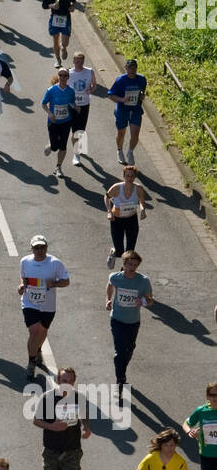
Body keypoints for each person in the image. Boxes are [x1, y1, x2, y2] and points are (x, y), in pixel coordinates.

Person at [19, 234, 70, 380]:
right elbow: (23, 278)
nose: (40, 250)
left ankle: (38, 350)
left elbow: (66, 281)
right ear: (31, 249)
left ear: (47, 248)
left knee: (42, 332)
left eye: (42, 247)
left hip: (48, 305)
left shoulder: (55, 263)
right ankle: (31, 363)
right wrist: (22, 286)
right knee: (34, 331)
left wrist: (54, 284)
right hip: (29, 302)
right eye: (36, 248)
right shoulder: (25, 261)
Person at [106, 250, 154, 387]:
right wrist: (108, 300)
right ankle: (120, 378)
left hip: (133, 322)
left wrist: (143, 302)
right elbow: (109, 285)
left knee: (130, 348)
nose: (132, 268)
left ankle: (121, 368)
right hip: (117, 320)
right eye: (130, 264)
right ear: (124, 264)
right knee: (120, 351)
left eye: (135, 265)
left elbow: (151, 300)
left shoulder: (143, 281)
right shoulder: (115, 277)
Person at [105, 163, 147, 266]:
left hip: (131, 219)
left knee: (130, 250)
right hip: (117, 220)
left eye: (132, 176)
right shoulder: (117, 188)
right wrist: (109, 212)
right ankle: (114, 252)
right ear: (123, 176)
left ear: (135, 177)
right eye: (127, 175)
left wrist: (143, 210)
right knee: (120, 251)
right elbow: (106, 197)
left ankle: (125, 270)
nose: (130, 178)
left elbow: (141, 201)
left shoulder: (138, 188)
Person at [107, 58, 147, 165]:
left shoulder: (142, 79)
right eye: (129, 68)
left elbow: (142, 92)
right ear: (126, 69)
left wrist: (142, 96)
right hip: (122, 110)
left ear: (136, 68)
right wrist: (122, 100)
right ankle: (119, 151)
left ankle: (130, 152)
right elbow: (110, 95)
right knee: (121, 133)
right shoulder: (121, 80)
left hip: (135, 110)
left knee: (135, 134)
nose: (131, 71)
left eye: (134, 68)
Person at [42, 66, 77, 178]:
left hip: (66, 121)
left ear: (68, 77)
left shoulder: (71, 91)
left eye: (64, 75)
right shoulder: (51, 90)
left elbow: (71, 103)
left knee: (63, 146)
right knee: (54, 147)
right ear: (58, 76)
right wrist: (50, 113)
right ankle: (51, 144)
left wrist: (76, 107)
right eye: (60, 75)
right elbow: (43, 104)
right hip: (53, 122)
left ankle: (58, 167)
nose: (62, 77)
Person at [42, 0, 77, 67]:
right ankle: (58, 60)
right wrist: (52, 6)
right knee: (55, 41)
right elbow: (44, 5)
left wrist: (72, 6)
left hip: (66, 18)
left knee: (65, 42)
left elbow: (74, 1)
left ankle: (63, 48)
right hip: (55, 18)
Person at [68, 51, 97, 166]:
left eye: (81, 62)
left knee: (82, 130)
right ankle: (76, 153)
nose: (79, 64)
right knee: (75, 130)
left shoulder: (89, 72)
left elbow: (94, 84)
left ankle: (80, 148)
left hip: (84, 104)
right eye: (77, 61)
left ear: (83, 62)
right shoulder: (69, 73)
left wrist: (91, 89)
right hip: (72, 105)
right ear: (73, 61)